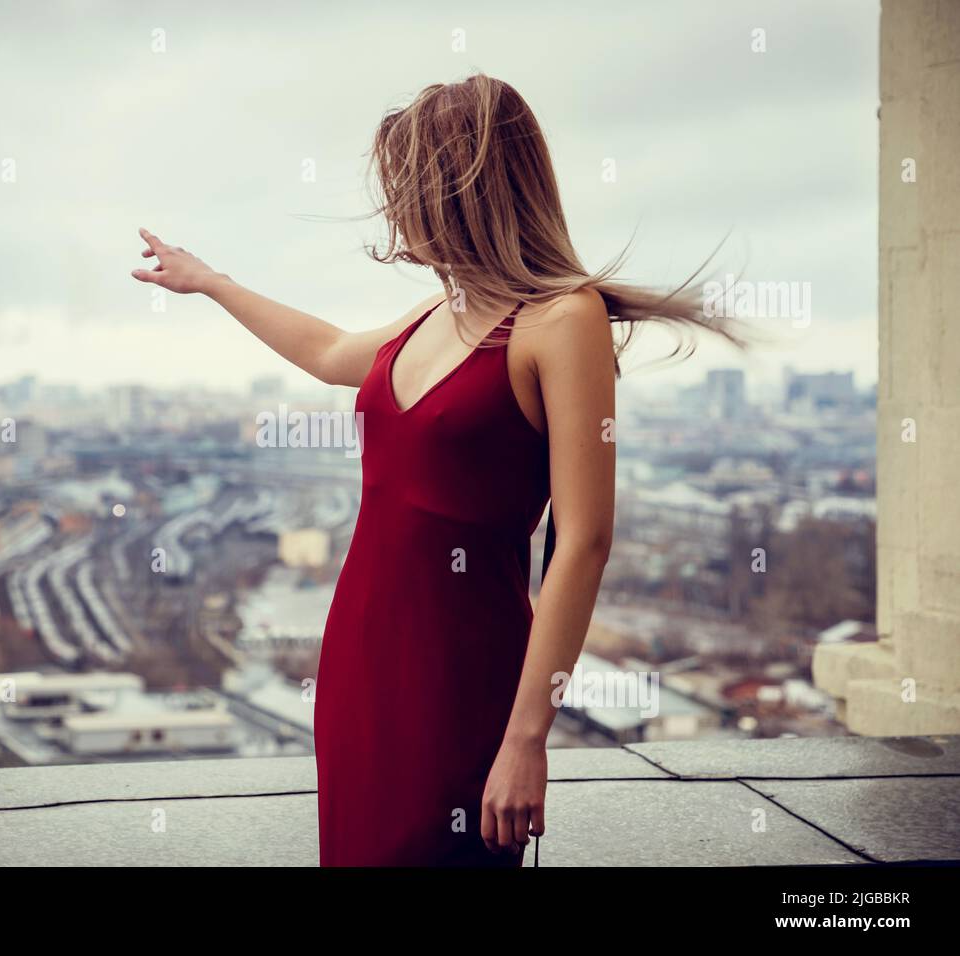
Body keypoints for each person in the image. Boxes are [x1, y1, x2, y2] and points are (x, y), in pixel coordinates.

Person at [131, 74, 737, 867]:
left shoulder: (563, 319)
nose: (394, 210)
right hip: (360, 664)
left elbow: (583, 542)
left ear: (461, 189)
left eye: (406, 186)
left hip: (462, 680)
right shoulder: (435, 314)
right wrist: (213, 283)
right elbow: (325, 353)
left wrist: (528, 738)